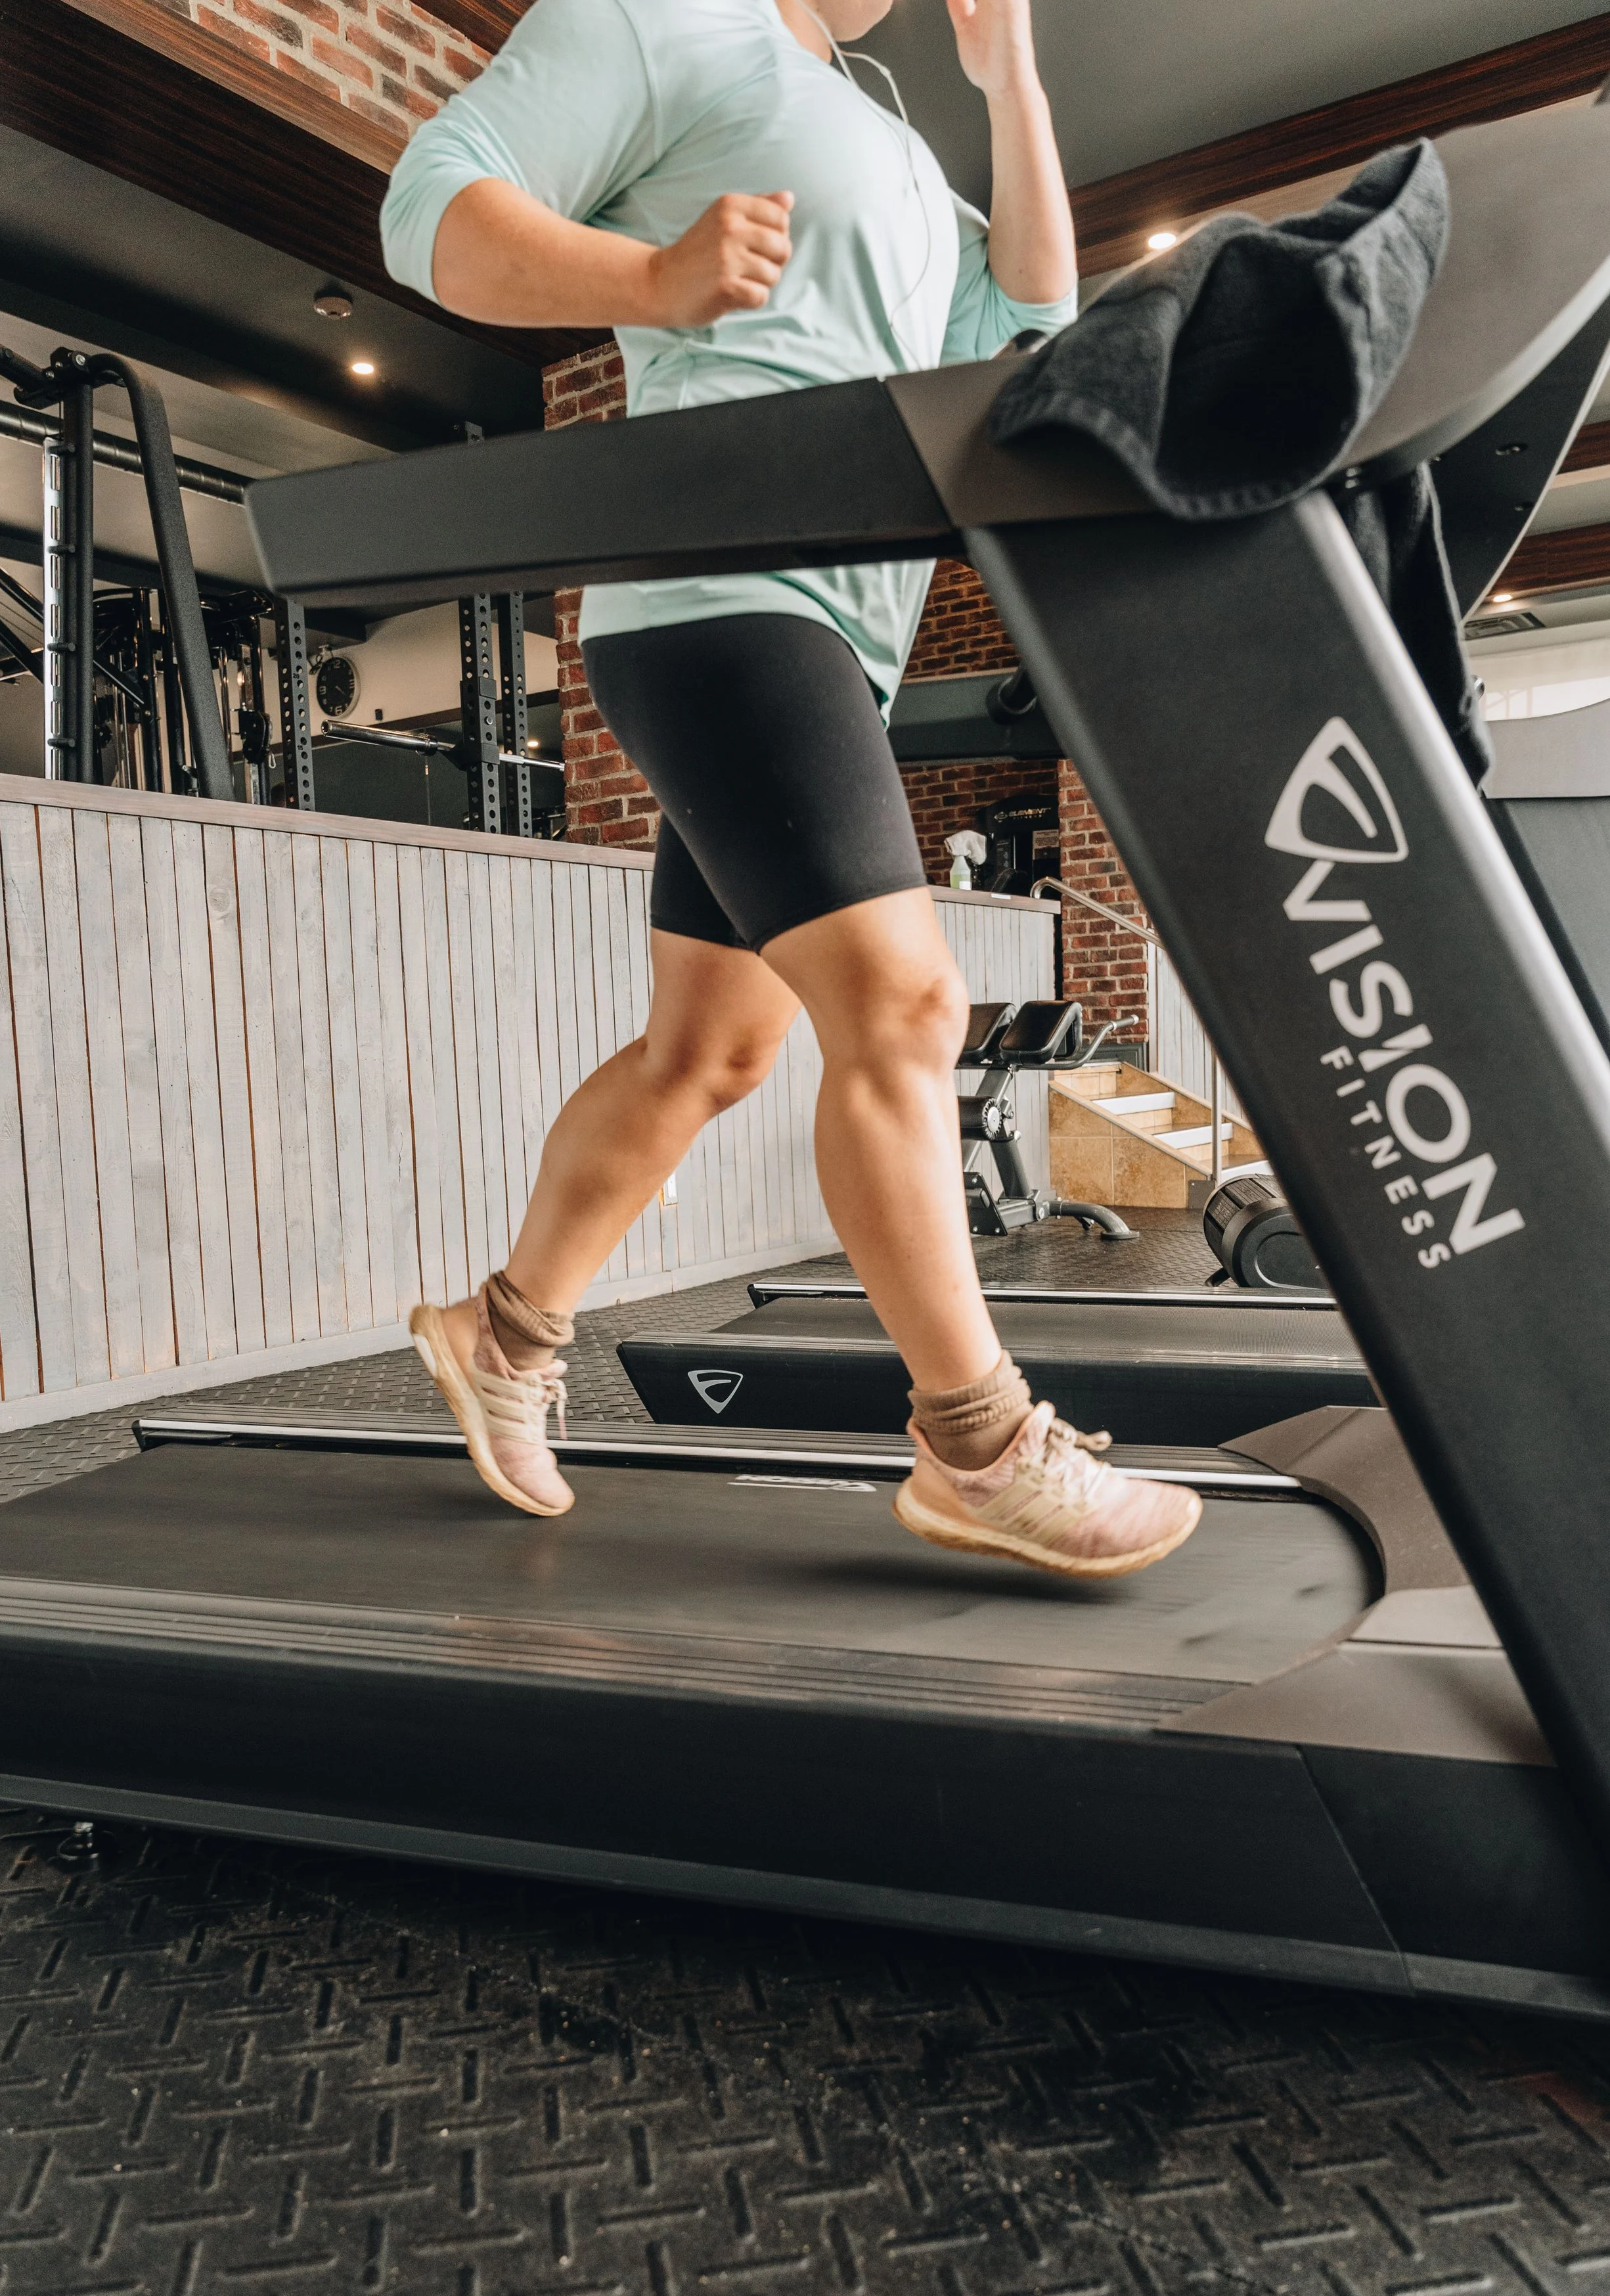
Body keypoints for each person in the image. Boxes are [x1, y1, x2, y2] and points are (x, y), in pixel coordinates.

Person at [381, 0, 1201, 1579]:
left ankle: (501, 1332)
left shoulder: (890, 136)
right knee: (900, 1009)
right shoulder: (664, 18)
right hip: (711, 593)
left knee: (711, 1048)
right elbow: (436, 204)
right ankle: (977, 1440)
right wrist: (649, 279)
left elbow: (1021, 317)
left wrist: (1008, 70)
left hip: (833, 635)